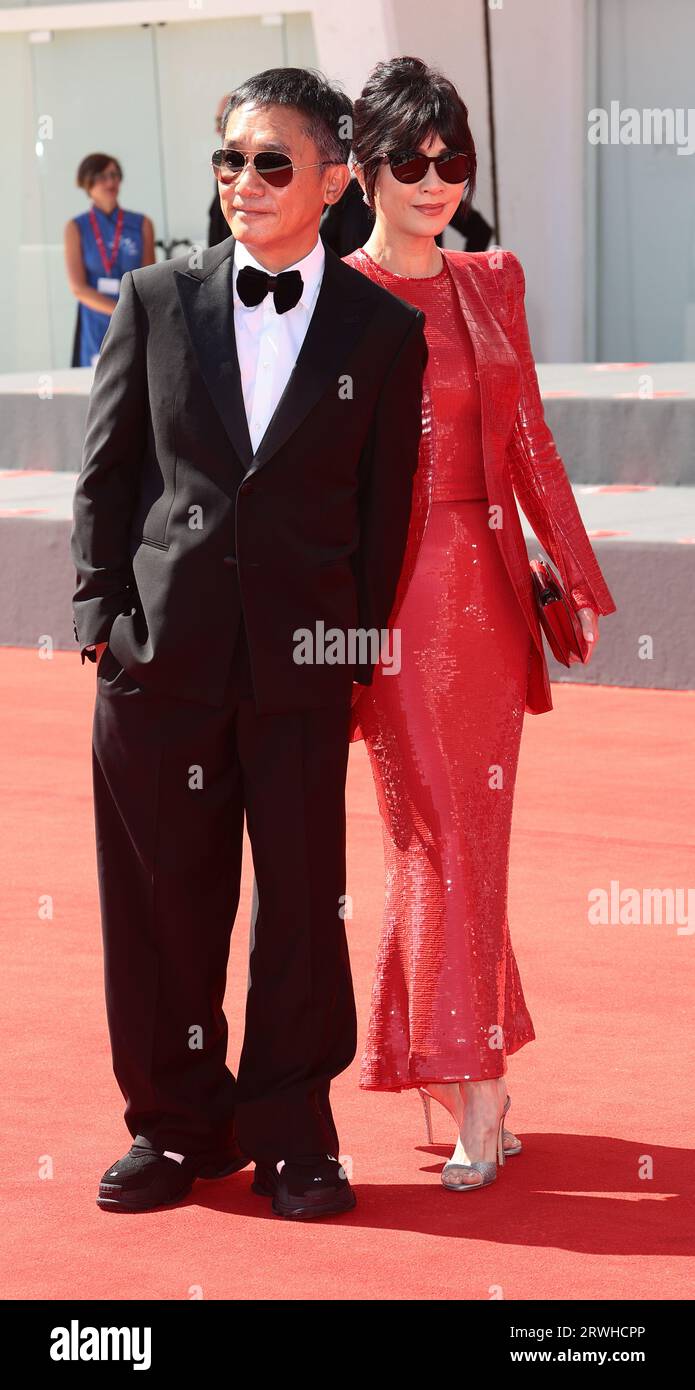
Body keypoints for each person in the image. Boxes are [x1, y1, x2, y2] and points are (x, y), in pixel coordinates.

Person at [70, 66, 427, 1221]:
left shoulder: (383, 331)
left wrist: (353, 652)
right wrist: (100, 627)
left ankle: (291, 1134)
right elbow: (109, 474)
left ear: (332, 180)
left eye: (272, 161)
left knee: (300, 906)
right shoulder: (154, 298)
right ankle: (174, 1128)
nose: (243, 180)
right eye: (229, 157)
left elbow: (384, 514)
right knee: (164, 903)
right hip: (158, 664)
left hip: (304, 669)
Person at [344, 57, 617, 1191]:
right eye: (407, 160)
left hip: (487, 593)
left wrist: (581, 585)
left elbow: (532, 440)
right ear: (362, 168)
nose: (432, 180)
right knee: (429, 834)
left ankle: (472, 1078)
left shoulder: (490, 280)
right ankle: (471, 1071)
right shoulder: (329, 291)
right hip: (388, 605)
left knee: (471, 837)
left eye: (450, 160)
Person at [65, 153, 155, 367]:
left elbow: (151, 281)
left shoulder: (141, 224)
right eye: (103, 176)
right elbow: (78, 288)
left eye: (115, 175)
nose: (111, 182)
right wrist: (119, 309)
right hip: (95, 322)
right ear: (87, 182)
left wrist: (133, 314)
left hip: (133, 320)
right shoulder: (76, 227)